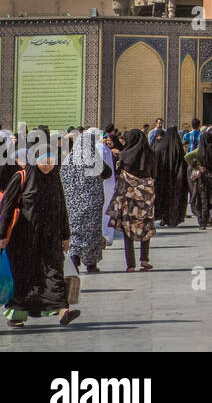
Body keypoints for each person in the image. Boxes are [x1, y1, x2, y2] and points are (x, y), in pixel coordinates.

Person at [1, 139, 80, 328]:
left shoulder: (54, 179)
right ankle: (16, 316)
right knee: (24, 277)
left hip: (50, 237)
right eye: (45, 160)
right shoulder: (21, 177)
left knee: (54, 273)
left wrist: (65, 235)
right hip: (23, 240)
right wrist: (2, 235)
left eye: (51, 161)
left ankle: (63, 311)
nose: (48, 165)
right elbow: (7, 208)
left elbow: (62, 208)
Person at [61, 128, 111, 275]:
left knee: (75, 230)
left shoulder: (68, 159)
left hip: (72, 203)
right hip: (91, 202)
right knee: (92, 232)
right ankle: (91, 264)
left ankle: (74, 258)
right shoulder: (92, 158)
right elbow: (107, 173)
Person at [107, 129, 157, 272]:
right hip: (146, 197)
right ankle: (145, 259)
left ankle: (130, 264)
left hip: (128, 199)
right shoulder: (151, 154)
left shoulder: (124, 155)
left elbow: (118, 175)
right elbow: (154, 174)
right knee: (145, 225)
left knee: (127, 229)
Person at [150, 126, 189, 228]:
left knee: (164, 197)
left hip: (163, 180)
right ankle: (174, 218)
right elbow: (184, 165)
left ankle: (164, 217)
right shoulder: (179, 149)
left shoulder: (160, 147)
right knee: (175, 198)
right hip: (177, 179)